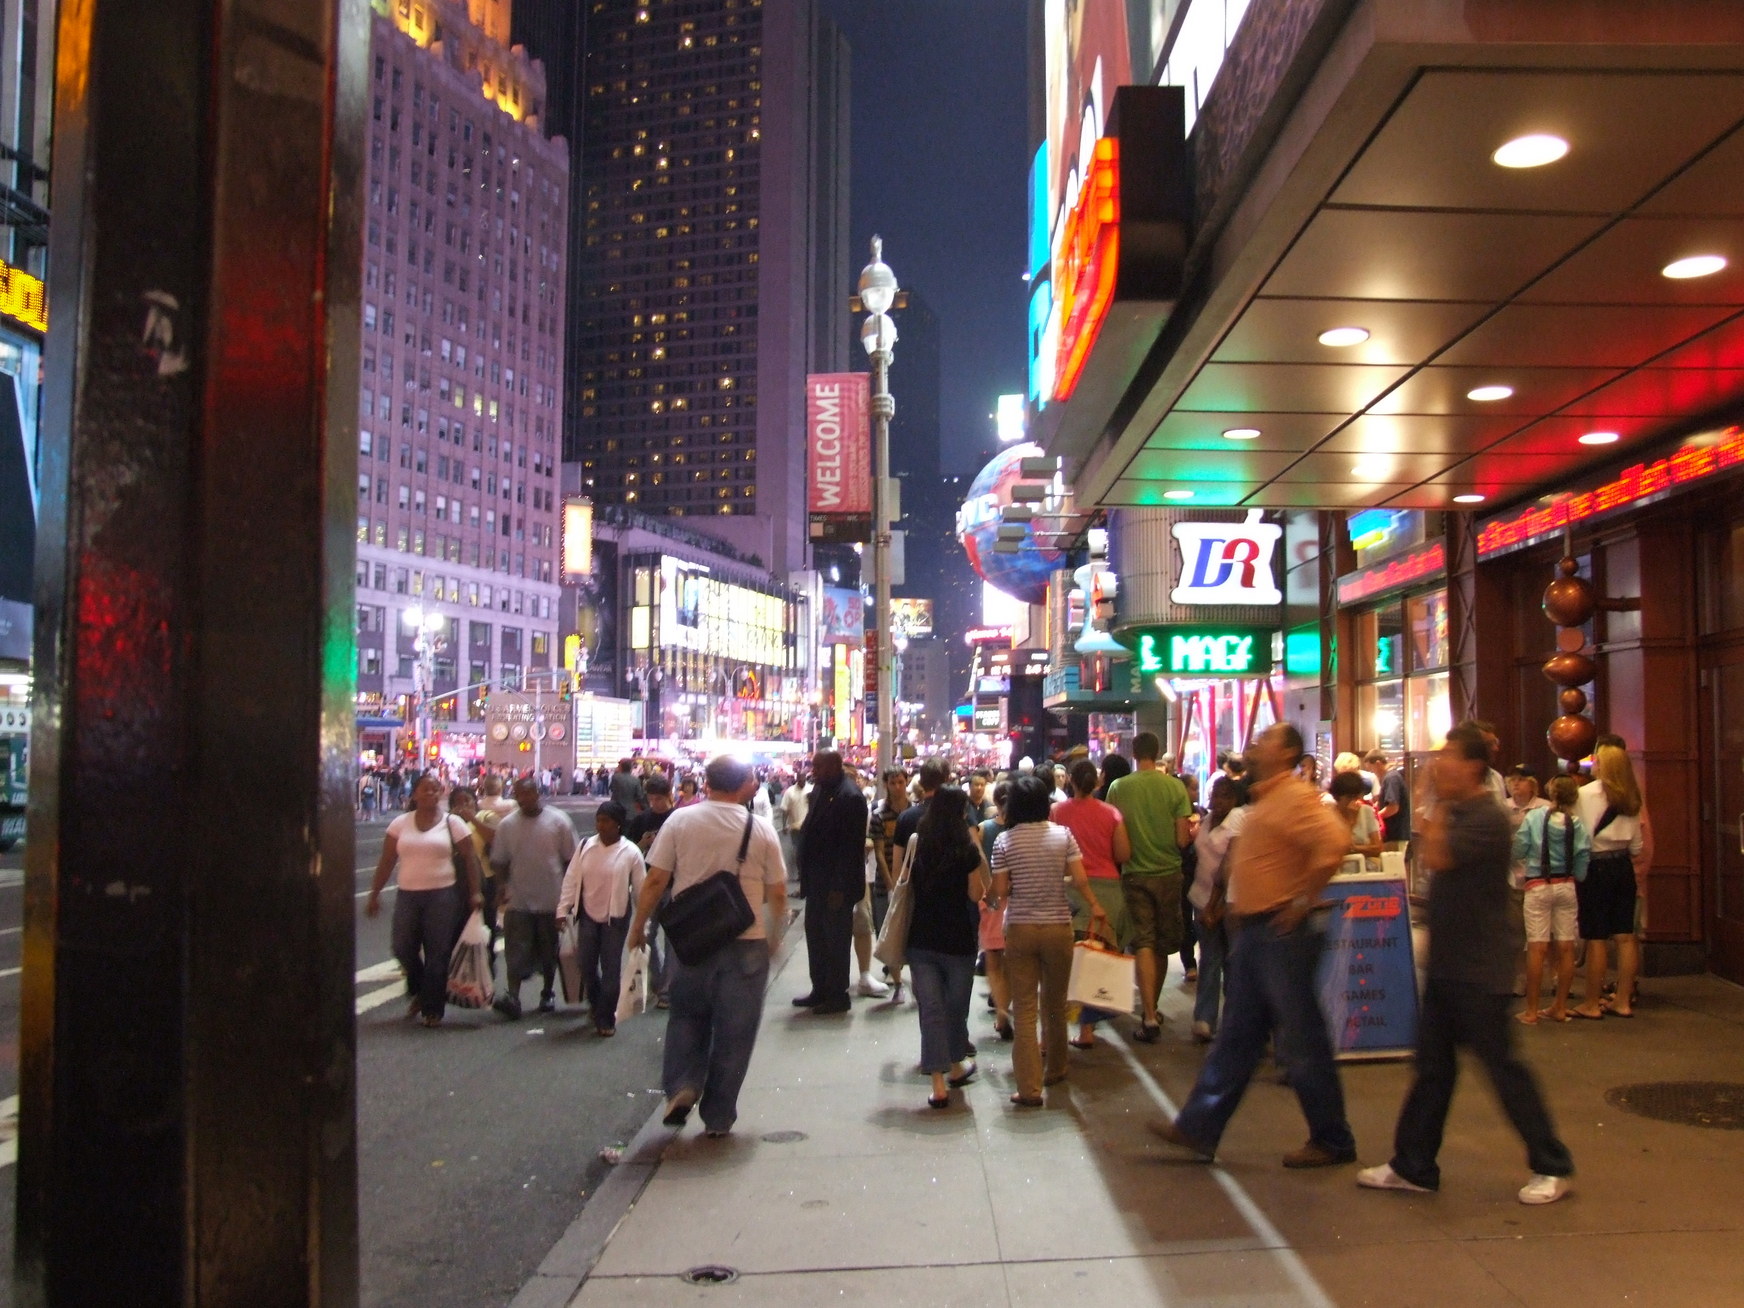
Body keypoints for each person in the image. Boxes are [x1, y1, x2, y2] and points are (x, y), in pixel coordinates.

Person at [1358, 726, 1575, 1204]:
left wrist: (1424, 800)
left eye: (1449, 757)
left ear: (1474, 767)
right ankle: (1412, 1165)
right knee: (1433, 1070)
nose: (1440, 765)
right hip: (1449, 965)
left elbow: (1435, 855)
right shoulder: (1458, 811)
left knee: (1503, 1069)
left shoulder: (1486, 816)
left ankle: (1551, 1164)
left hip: (1480, 968)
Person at [1149, 723, 1356, 1168]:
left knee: (1301, 1039)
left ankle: (1332, 1138)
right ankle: (1199, 1127)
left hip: (1283, 934)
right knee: (1239, 1037)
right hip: (1260, 933)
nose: (1255, 745)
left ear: (1286, 753)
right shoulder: (1266, 796)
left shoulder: (1297, 797)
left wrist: (1302, 900)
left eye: (1264, 740)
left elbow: (1336, 842)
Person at [629, 755, 788, 1138]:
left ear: (707, 783)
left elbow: (655, 881)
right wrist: (774, 935)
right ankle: (718, 1114)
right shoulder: (760, 829)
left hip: (693, 940)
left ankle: (683, 1085)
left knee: (687, 1015)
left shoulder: (681, 821)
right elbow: (778, 891)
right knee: (737, 1030)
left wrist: (638, 926)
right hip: (746, 940)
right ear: (741, 785)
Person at [991, 774, 1105, 1107]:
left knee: (1024, 1010)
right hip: (1058, 926)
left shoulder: (1004, 841)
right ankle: (1056, 1068)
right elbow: (1081, 880)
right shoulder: (1063, 836)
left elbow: (999, 892)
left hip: (1021, 928)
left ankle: (1028, 1089)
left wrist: (995, 895)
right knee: (1054, 1004)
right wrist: (1095, 905)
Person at [365, 773, 484, 1027]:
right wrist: (374, 894)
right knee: (402, 947)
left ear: (440, 793)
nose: (430, 793)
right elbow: (387, 861)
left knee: (437, 953)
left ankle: (433, 1009)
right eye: (425, 789)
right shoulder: (399, 824)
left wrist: (475, 892)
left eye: (434, 789)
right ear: (415, 794)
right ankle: (421, 989)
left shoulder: (453, 823)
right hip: (408, 895)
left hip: (443, 895)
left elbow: (469, 858)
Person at [905, 787, 992, 1108]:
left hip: (922, 938)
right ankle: (955, 1064)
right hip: (958, 940)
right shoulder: (966, 850)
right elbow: (975, 893)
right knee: (955, 1008)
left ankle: (940, 1082)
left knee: (931, 1010)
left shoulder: (920, 843)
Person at [1104, 732, 1193, 1042]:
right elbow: (1183, 838)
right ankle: (1152, 1008)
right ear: (1157, 754)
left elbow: (1112, 833)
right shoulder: (1175, 787)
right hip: (1169, 874)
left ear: (1133, 752)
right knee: (1161, 944)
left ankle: (1150, 1015)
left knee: (1143, 940)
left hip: (1134, 874)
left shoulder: (1118, 787)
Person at [1050, 759, 1131, 1051]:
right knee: (1096, 959)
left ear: (1070, 780)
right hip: (1107, 890)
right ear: (1097, 782)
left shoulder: (1057, 811)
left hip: (1070, 888)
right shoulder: (1112, 814)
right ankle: (1087, 1028)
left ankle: (1061, 1023)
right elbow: (1122, 853)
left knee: (1069, 961)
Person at [489, 777, 579, 1019]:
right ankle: (513, 996)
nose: (523, 799)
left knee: (549, 951)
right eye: (518, 795)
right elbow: (499, 860)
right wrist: (501, 886)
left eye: (527, 794)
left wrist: (571, 895)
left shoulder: (559, 822)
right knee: (515, 950)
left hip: (552, 898)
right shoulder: (507, 825)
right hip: (519, 899)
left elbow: (571, 860)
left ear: (538, 794)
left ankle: (548, 992)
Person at [557, 800, 646, 1036]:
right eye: (598, 820)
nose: (600, 825)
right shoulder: (586, 846)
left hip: (614, 919)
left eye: (605, 821)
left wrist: (642, 926)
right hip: (587, 915)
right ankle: (597, 1004)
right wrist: (562, 909)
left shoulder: (630, 852)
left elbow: (641, 890)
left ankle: (606, 1018)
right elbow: (571, 879)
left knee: (610, 968)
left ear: (618, 824)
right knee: (585, 965)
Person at [1572, 743, 1645, 1020]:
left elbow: (1579, 836)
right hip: (1623, 866)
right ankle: (1623, 1001)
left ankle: (1592, 1002)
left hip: (1596, 866)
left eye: (1597, 760)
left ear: (1603, 765)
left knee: (1597, 936)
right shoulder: (1632, 796)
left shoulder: (1585, 794)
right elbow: (1637, 845)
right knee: (1626, 936)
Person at [794, 750, 870, 1015]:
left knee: (836, 940)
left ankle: (837, 994)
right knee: (816, 936)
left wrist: (839, 888)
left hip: (836, 885)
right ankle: (820, 989)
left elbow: (851, 849)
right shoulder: (821, 791)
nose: (814, 771)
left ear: (835, 766)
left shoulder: (850, 797)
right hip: (816, 881)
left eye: (820, 766)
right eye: (814, 766)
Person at [1514, 775, 1588, 1025]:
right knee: (1566, 947)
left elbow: (1519, 848)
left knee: (1537, 947)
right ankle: (1559, 1007)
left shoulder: (1534, 817)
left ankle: (1532, 1011)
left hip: (1538, 885)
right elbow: (1582, 858)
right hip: (1566, 886)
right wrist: (1574, 874)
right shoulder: (1575, 823)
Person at [1187, 776, 1248, 1042]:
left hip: (1227, 903)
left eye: (1224, 796)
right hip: (1201, 900)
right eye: (1215, 795)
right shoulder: (1208, 819)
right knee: (1209, 961)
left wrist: (1216, 906)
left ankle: (1235, 1023)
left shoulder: (1238, 820)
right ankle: (1204, 1019)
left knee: (1233, 964)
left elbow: (1230, 866)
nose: (1218, 801)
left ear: (1235, 799)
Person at [627, 774, 679, 1008]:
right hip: (647, 884)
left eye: (659, 799)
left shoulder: (678, 819)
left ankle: (667, 988)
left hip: (674, 885)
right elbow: (628, 850)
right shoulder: (641, 820)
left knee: (672, 939)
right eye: (651, 799)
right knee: (646, 935)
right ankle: (658, 982)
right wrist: (643, 844)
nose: (654, 804)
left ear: (669, 796)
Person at [977, 780, 1014, 1041]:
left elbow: (978, 865)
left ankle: (1001, 1011)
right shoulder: (1017, 831)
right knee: (1011, 959)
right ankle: (1004, 1010)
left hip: (989, 899)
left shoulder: (984, 830)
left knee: (993, 958)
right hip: (1014, 899)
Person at [1330, 771, 1383, 866]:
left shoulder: (1366, 811)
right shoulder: (1329, 814)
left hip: (1364, 869)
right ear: (1337, 797)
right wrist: (1351, 821)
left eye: (1356, 797)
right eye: (1349, 797)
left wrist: (1354, 848)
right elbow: (1337, 849)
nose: (1353, 801)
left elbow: (1377, 848)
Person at [1369, 750, 1409, 848]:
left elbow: (1393, 807)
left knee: (1392, 862)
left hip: (1395, 834)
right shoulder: (1391, 777)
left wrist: (1376, 817)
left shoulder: (1391, 778)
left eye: (1371, 769)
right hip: (1395, 834)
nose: (1372, 773)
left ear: (1378, 764)